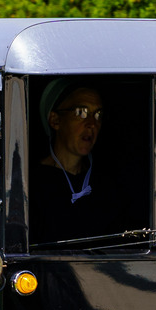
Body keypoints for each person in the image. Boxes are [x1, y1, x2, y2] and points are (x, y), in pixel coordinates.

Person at [31, 81, 122, 245]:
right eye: (81, 113)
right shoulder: (30, 185)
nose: (91, 124)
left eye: (98, 115)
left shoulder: (105, 186)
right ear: (55, 120)